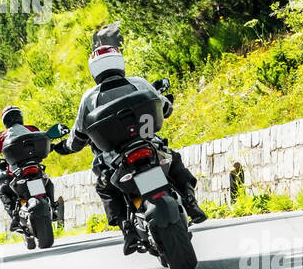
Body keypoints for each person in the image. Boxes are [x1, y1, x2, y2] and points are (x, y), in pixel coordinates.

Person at [54, 23, 206, 255]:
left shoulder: (90, 98)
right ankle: (190, 201)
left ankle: (127, 230)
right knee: (173, 159)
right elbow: (163, 107)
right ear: (119, 62)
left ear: (94, 69)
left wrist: (66, 147)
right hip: (148, 145)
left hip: (115, 158)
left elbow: (78, 134)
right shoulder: (139, 83)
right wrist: (167, 106)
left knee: (105, 186)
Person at [0, 105, 58, 231]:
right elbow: (42, 141)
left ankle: (15, 219)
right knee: (47, 181)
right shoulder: (32, 129)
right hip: (35, 167)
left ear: (5, 121)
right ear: (20, 117)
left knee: (4, 191)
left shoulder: (2, 135)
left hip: (17, 172)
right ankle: (54, 206)